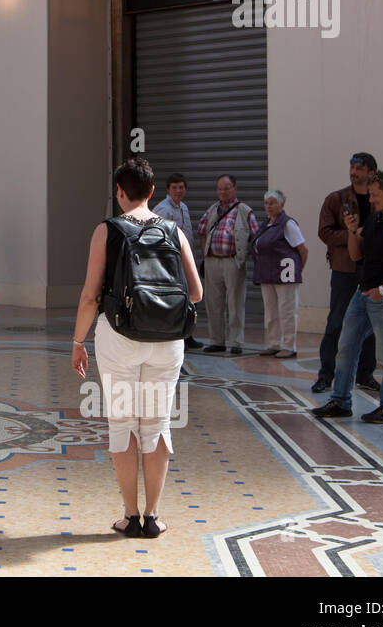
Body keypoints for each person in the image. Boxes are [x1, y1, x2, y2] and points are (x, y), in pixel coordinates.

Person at [71, 157, 202, 539]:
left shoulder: (106, 231)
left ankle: (129, 516)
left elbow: (89, 296)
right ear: (152, 191)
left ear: (119, 192)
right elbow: (195, 292)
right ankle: (154, 516)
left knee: (124, 423)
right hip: (167, 342)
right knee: (158, 424)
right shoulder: (173, 230)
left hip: (119, 339)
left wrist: (78, 342)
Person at [312, 170, 383, 425]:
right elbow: (356, 256)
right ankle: (340, 401)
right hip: (362, 294)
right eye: (370, 195)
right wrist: (351, 231)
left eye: (375, 195)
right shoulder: (373, 220)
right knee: (346, 347)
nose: (370, 200)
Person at [313, 152, 381, 394]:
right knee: (335, 322)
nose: (353, 172)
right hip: (344, 268)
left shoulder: (378, 199)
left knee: (370, 323)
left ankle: (365, 374)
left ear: (371, 172)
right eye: (351, 167)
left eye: (359, 168)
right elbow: (325, 232)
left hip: (372, 269)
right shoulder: (336, 198)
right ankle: (325, 375)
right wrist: (354, 234)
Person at [196, 174, 258, 355]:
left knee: (235, 303)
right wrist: (207, 257)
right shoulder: (212, 210)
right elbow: (202, 232)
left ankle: (236, 342)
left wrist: (245, 258)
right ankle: (217, 340)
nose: (222, 192)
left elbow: (255, 236)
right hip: (212, 261)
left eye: (226, 188)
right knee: (213, 303)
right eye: (220, 188)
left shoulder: (245, 211)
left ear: (235, 189)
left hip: (233, 261)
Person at [251, 190, 309, 358]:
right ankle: (273, 343)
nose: (269, 206)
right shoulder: (266, 224)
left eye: (272, 202)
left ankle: (289, 346)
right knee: (271, 311)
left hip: (285, 273)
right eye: (266, 203)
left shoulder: (288, 224)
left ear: (282, 204)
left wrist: (298, 270)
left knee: (287, 310)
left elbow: (303, 250)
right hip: (267, 273)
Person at [152, 173, 203, 351]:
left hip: (185, 262)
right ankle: (177, 335)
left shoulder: (184, 208)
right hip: (172, 264)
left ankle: (188, 334)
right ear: (168, 189)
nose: (178, 191)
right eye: (174, 187)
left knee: (188, 300)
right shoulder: (163, 209)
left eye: (181, 187)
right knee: (176, 300)